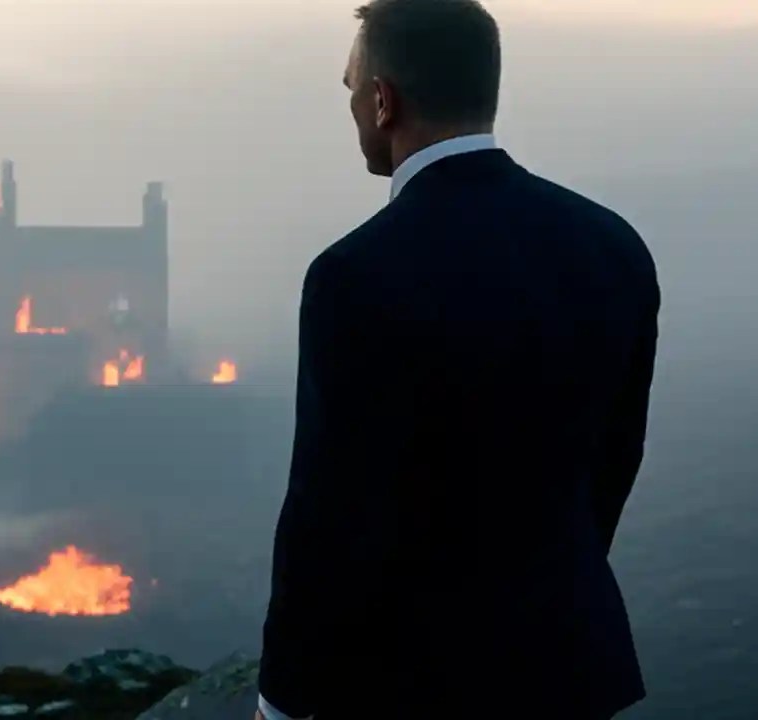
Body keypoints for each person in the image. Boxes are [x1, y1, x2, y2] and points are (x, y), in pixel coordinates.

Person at [255, 1, 661, 718]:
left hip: (414, 684)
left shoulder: (354, 274)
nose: (351, 105)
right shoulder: (612, 245)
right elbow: (615, 462)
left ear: (383, 99)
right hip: (574, 664)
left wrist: (283, 699)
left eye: (351, 87)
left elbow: (329, 514)